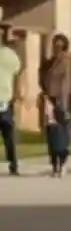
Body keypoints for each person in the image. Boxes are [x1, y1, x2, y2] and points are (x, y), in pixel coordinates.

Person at [38, 33, 71, 178]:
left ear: (65, 47)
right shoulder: (47, 64)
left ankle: (63, 162)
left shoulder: (69, 62)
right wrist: (45, 93)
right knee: (52, 133)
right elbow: (41, 80)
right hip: (51, 101)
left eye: (60, 46)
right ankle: (55, 164)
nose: (57, 49)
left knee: (65, 133)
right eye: (55, 46)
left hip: (66, 101)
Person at [0, 25, 23, 176]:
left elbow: (17, 76)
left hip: (6, 99)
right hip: (6, 100)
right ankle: (13, 164)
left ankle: (13, 163)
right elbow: (18, 75)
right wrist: (18, 93)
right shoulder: (11, 55)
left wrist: (17, 94)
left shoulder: (10, 55)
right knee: (9, 134)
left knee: (9, 134)